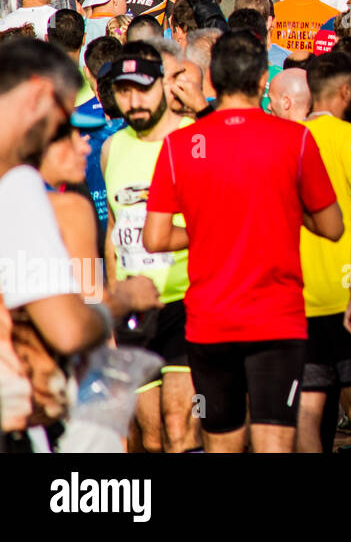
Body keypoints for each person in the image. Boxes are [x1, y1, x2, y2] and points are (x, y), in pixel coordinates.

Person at [142, 29, 344, 453]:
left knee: (221, 444)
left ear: (212, 81)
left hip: (209, 321)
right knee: (274, 443)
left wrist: (205, 227)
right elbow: (333, 227)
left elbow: (156, 238)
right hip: (277, 319)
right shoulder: (295, 139)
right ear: (261, 83)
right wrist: (287, 212)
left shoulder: (180, 145)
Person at [0, 39, 161, 451]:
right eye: (63, 123)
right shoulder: (23, 190)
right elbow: (69, 327)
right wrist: (122, 301)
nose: (77, 141)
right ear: (38, 96)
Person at [101, 44, 200, 453]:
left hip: (186, 301)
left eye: (142, 89)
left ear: (163, 85)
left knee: (179, 427)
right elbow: (112, 231)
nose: (133, 101)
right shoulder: (112, 148)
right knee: (149, 436)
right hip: (133, 312)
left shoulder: (191, 138)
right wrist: (110, 306)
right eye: (124, 91)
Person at [298, 51, 351, 453]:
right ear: (345, 91)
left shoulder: (291, 139)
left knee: (308, 406)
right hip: (350, 295)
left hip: (301, 295)